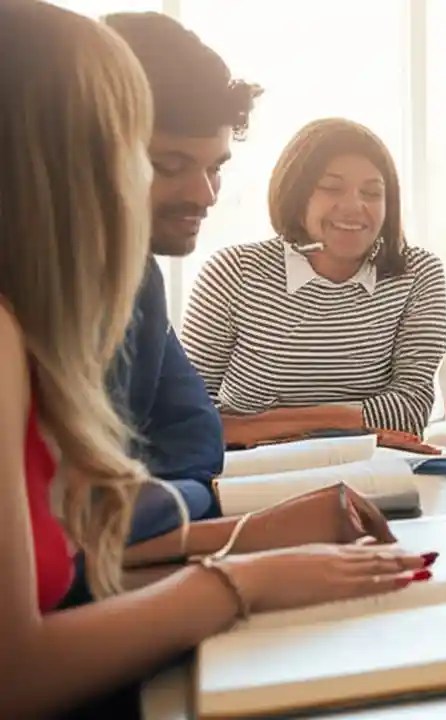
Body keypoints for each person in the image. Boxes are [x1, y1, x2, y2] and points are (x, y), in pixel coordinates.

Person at [0, 5, 433, 717]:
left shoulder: (95, 291)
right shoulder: (16, 330)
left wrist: (248, 535)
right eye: (152, 161)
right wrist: (243, 576)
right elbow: (19, 662)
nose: (202, 193)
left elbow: (183, 451)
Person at [182, 118, 446, 452]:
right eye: (331, 188)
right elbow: (186, 418)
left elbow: (409, 412)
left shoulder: (418, 273)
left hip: (371, 467)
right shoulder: (233, 273)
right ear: (297, 195)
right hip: (253, 468)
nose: (354, 207)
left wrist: (254, 425)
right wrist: (355, 423)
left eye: (372, 193)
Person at [100, 12, 255, 542]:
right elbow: (79, 515)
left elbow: (197, 435)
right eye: (170, 166)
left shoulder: (139, 275)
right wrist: (185, 497)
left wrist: (162, 497)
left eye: (215, 168)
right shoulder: (28, 294)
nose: (204, 195)